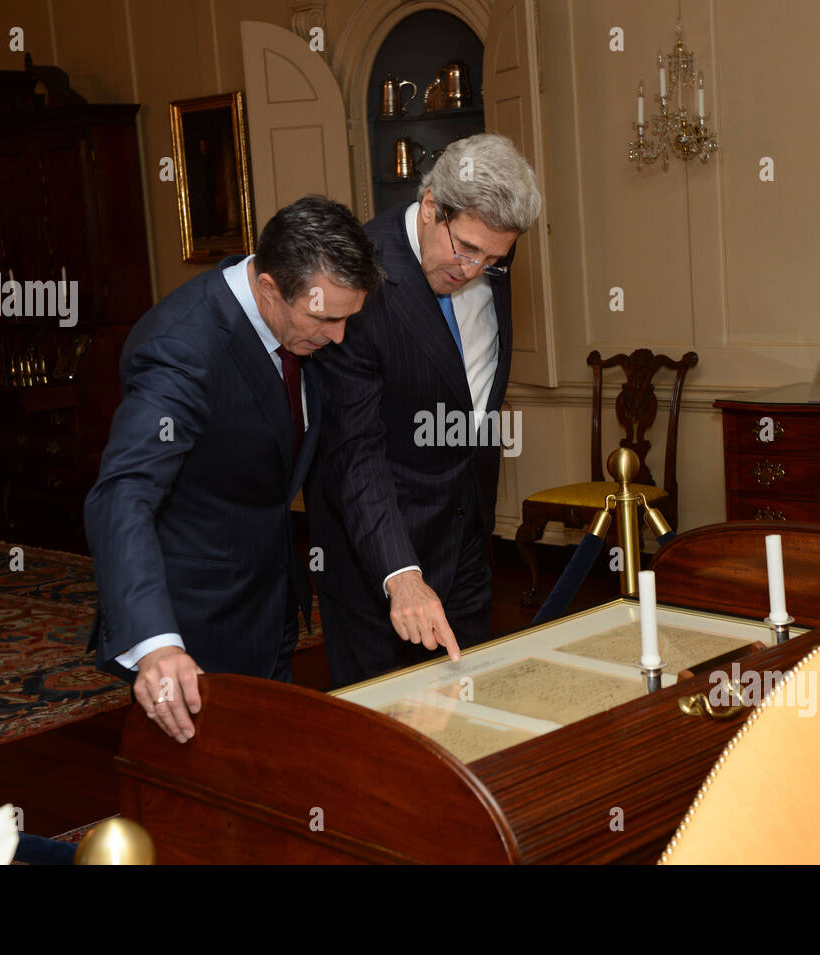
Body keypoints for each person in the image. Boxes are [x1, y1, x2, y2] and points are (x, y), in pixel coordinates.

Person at [85, 195, 382, 742]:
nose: (339, 336)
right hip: (195, 630)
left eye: (348, 317)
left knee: (269, 775)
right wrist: (158, 644)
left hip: (269, 601)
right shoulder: (182, 347)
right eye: (326, 318)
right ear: (269, 287)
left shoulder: (304, 322)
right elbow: (123, 493)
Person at [306, 133, 542, 687]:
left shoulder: (486, 253)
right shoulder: (360, 274)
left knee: (469, 717)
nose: (474, 269)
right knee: (387, 737)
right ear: (433, 205)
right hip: (380, 556)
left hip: (466, 536)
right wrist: (401, 575)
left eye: (493, 257)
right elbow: (353, 449)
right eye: (464, 248)